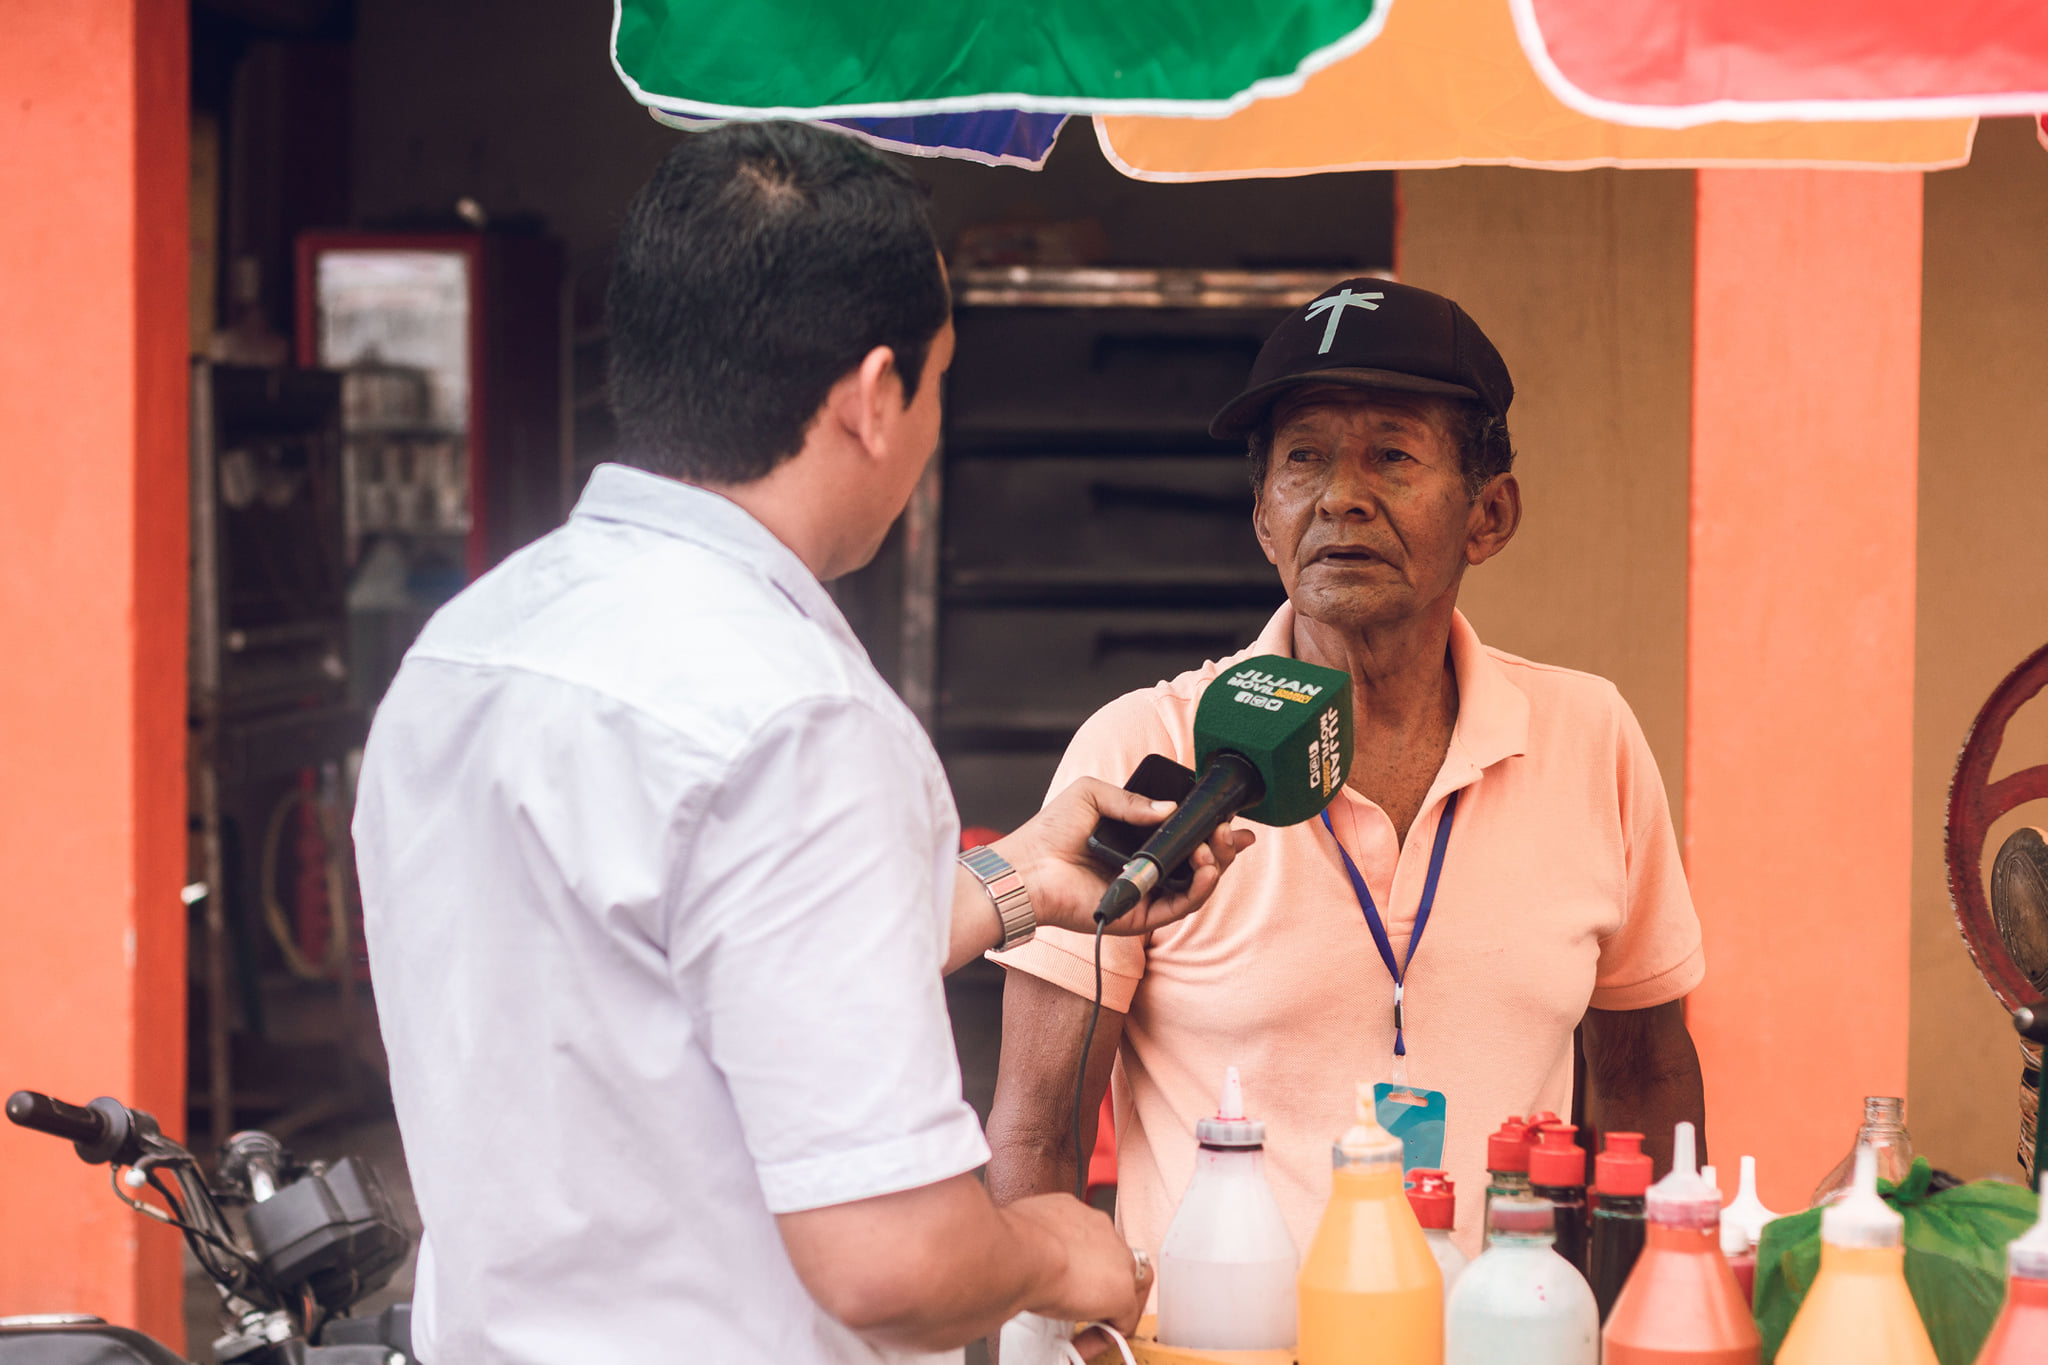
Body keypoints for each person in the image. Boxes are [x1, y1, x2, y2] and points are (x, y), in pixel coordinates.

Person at [351, 122, 1246, 1365]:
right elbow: (894, 1262)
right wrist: (1058, 1245)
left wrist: (1018, 883)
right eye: (939, 380)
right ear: (874, 398)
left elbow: (663, 969)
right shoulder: (798, 717)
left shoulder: (469, 648)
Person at [985, 279, 1708, 1267]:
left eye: (1392, 456)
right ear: (1263, 522)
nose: (1339, 496)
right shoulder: (1142, 753)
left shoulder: (1590, 738)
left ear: (1487, 515)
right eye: (1304, 459)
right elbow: (1035, 1134)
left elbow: (1643, 1078)